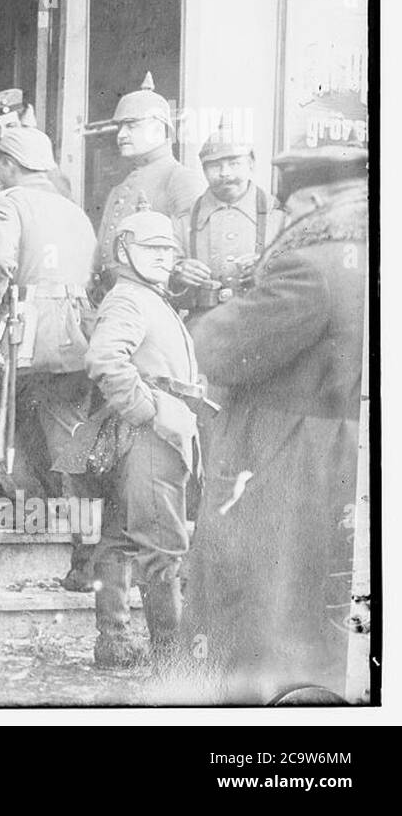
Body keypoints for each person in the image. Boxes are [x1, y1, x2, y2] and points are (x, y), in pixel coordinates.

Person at [182, 145, 367, 703]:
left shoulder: (309, 264)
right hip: (342, 445)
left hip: (284, 450)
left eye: (288, 207)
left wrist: (221, 311)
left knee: (262, 592)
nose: (285, 217)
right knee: (321, 591)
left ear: (312, 199)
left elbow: (221, 347)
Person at [85, 204, 205, 668]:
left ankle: (114, 643)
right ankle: (171, 661)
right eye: (150, 247)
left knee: (119, 538)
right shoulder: (130, 297)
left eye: (169, 249)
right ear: (122, 249)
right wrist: (151, 412)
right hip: (150, 436)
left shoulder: (149, 295)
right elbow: (105, 360)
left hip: (150, 433)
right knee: (163, 547)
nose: (162, 257)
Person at [0, 126, 97, 515]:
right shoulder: (76, 211)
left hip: (25, 329)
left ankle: (28, 506)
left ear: (8, 164)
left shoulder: (9, 203)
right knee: (66, 423)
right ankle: (73, 515)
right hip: (76, 332)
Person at [94, 72, 206, 286]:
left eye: (132, 125)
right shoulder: (121, 187)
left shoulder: (180, 178)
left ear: (158, 127)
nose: (121, 135)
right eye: (120, 127)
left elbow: (192, 252)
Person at [171, 116, 283, 320]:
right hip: (204, 329)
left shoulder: (280, 217)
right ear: (204, 171)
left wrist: (271, 266)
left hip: (265, 326)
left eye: (234, 163)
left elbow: (303, 275)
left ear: (251, 164)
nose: (225, 173)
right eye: (214, 166)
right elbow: (161, 277)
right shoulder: (183, 222)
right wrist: (178, 272)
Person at [0, 88, 70, 247]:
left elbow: (64, 213)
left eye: (10, 125)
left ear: (22, 125)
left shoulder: (41, 163)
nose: (3, 135)